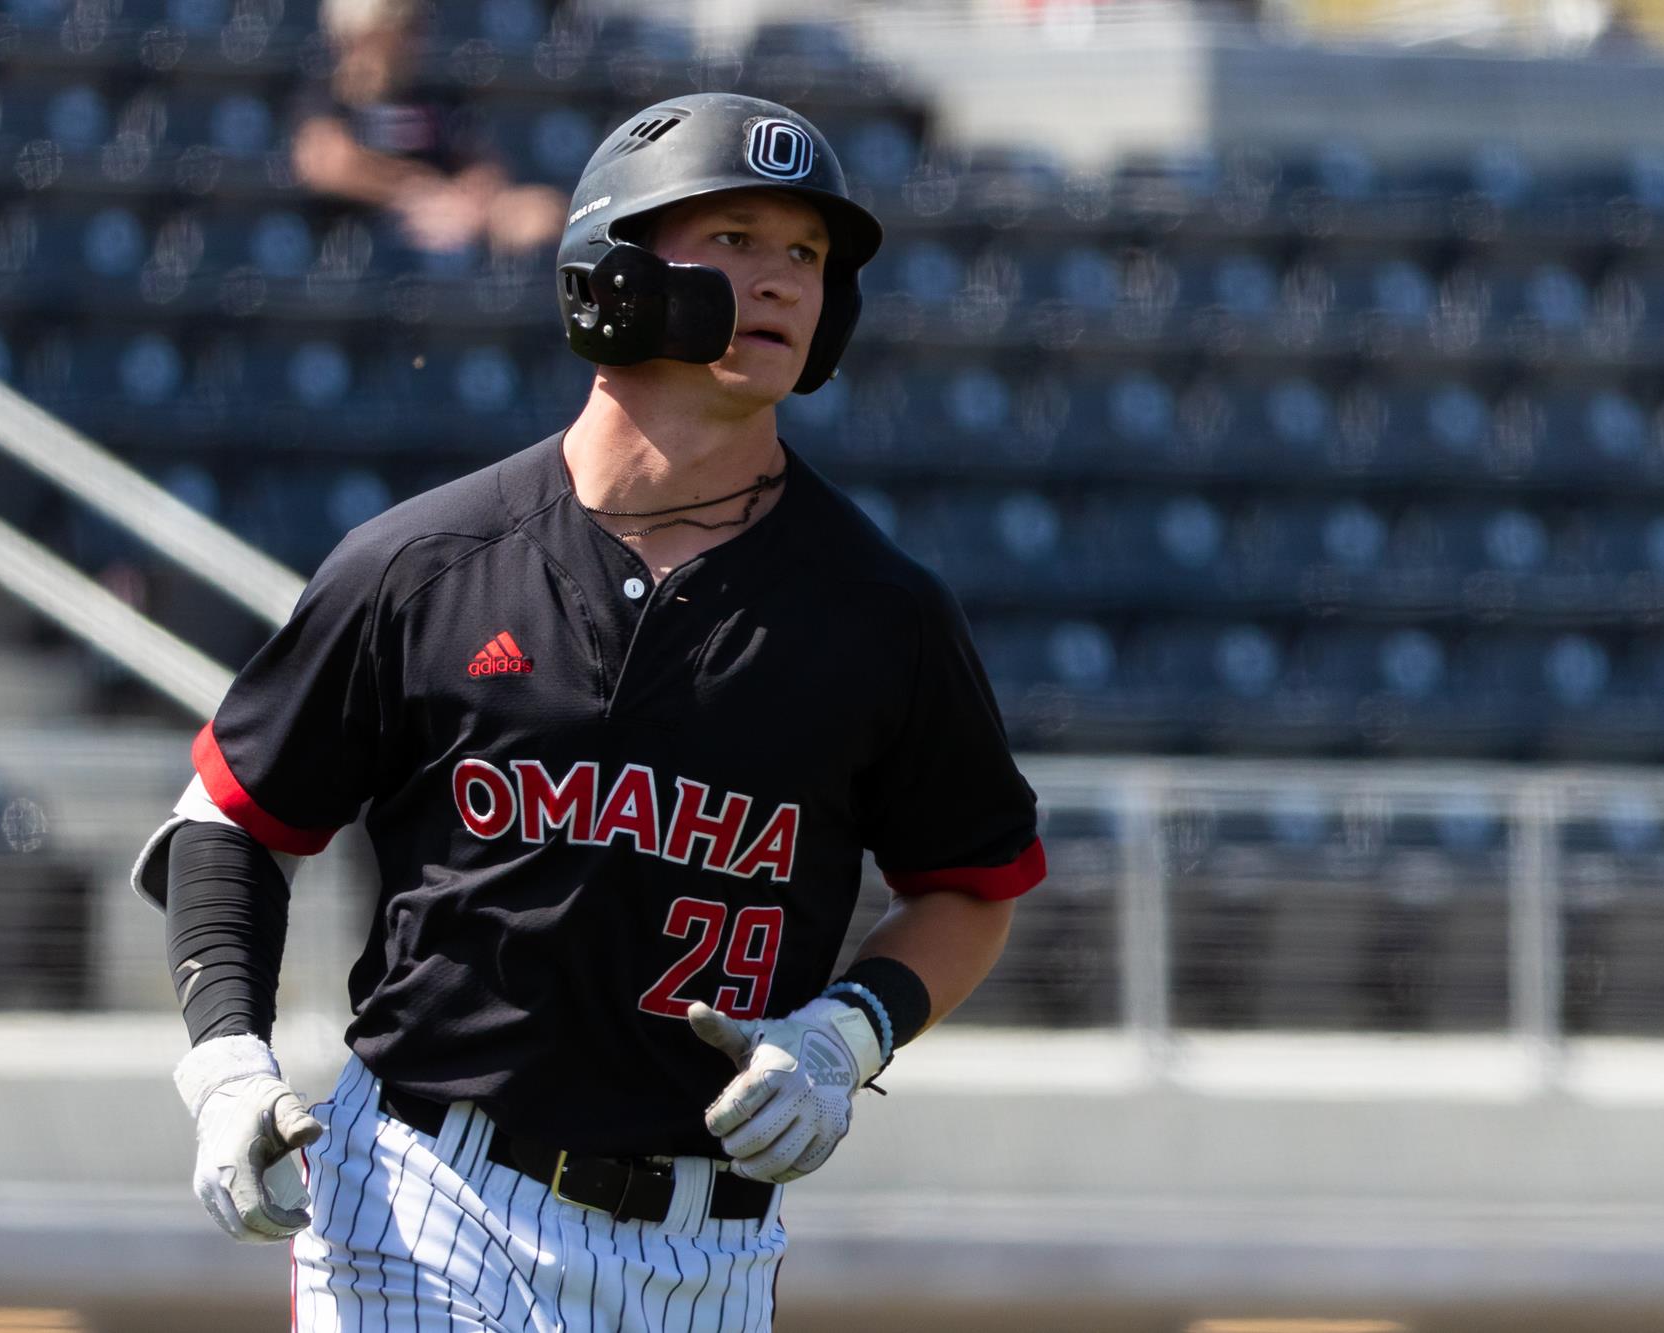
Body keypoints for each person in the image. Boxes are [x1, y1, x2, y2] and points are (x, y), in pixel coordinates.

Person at [132, 92, 1045, 1331]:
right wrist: (225, 1062)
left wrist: (845, 1035)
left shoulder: (880, 613)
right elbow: (229, 822)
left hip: (705, 1248)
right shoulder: (424, 562)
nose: (777, 279)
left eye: (806, 254)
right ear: (609, 269)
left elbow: (971, 882)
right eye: (731, 237)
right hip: (418, 1194)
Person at [291, 0, 565, 256]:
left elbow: (483, 164)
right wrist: (421, 193)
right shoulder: (330, 92)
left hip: (449, 223)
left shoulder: (434, 96)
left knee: (542, 214)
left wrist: (469, 200)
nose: (414, 39)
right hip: (366, 238)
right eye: (403, 29)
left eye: (416, 28)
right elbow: (325, 164)